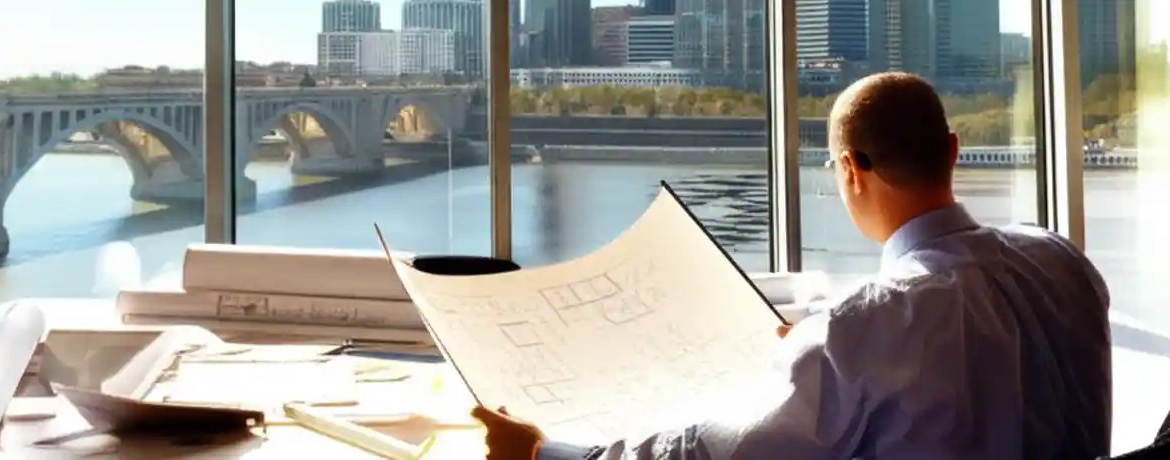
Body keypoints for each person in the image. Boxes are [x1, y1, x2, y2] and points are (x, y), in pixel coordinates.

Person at [474, 72, 1112, 460]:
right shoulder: (1062, 263)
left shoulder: (874, 328)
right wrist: (820, 328)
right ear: (952, 151)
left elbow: (719, 455)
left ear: (850, 169)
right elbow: (957, 317)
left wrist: (545, 454)